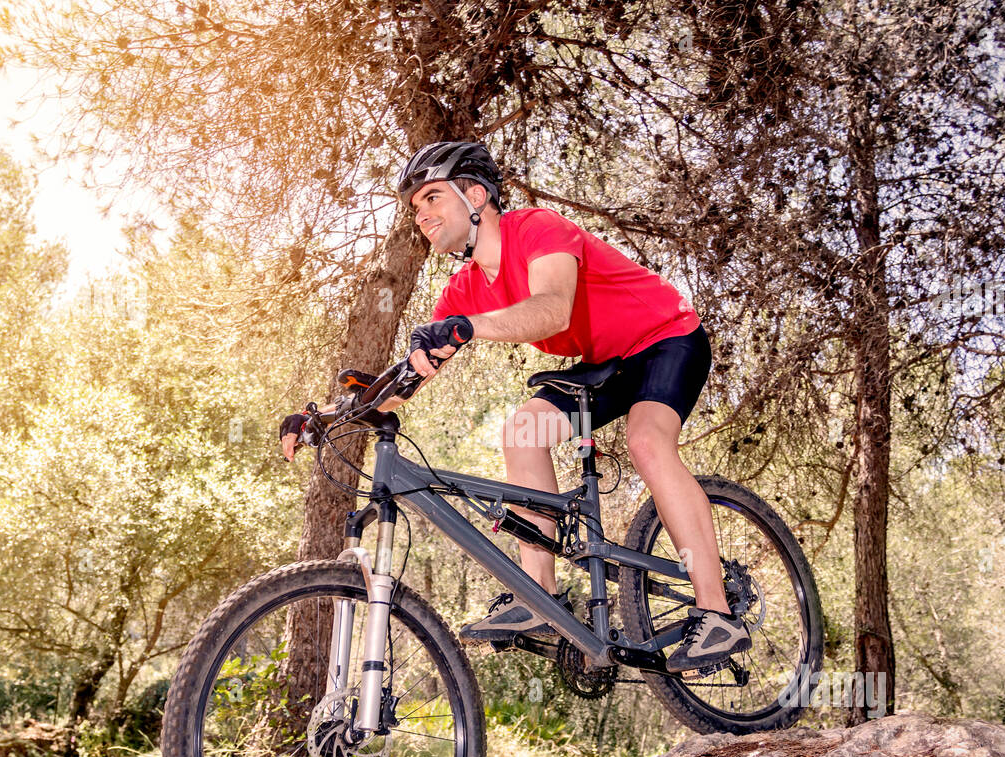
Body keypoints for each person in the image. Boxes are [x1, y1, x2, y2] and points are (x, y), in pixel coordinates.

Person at [290, 140, 750, 674]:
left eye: (433, 198)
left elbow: (552, 310)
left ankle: (718, 613)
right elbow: (409, 376)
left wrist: (468, 327)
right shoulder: (464, 287)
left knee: (647, 441)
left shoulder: (538, 229)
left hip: (666, 338)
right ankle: (539, 596)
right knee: (521, 432)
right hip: (606, 362)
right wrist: (326, 416)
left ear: (477, 195)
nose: (423, 215)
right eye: (416, 208)